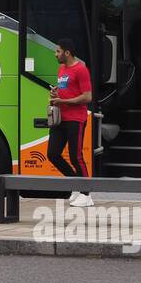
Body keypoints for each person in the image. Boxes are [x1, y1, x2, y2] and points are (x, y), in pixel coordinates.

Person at [47, 37, 93, 206]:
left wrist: (64, 102)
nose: (55, 54)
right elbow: (65, 89)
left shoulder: (81, 70)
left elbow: (87, 96)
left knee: (76, 156)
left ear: (67, 52)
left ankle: (86, 194)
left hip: (76, 119)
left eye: (58, 51)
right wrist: (55, 94)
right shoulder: (61, 69)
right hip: (60, 119)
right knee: (52, 154)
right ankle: (76, 184)